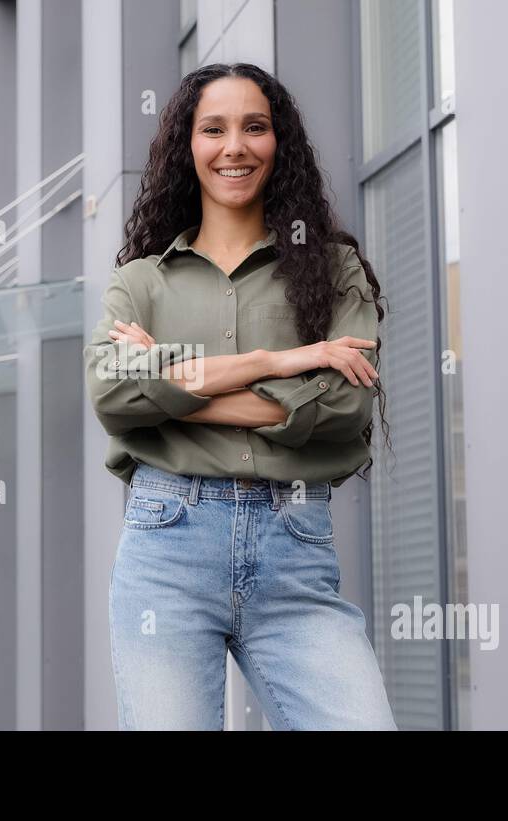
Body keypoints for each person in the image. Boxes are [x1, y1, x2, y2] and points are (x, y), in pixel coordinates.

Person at [83, 63, 397, 730]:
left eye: (255, 127)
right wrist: (276, 364)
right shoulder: (140, 283)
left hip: (295, 548)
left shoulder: (333, 270)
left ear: (279, 143)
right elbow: (112, 394)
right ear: (186, 146)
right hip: (167, 548)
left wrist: (174, 390)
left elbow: (346, 408)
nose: (235, 146)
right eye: (214, 129)